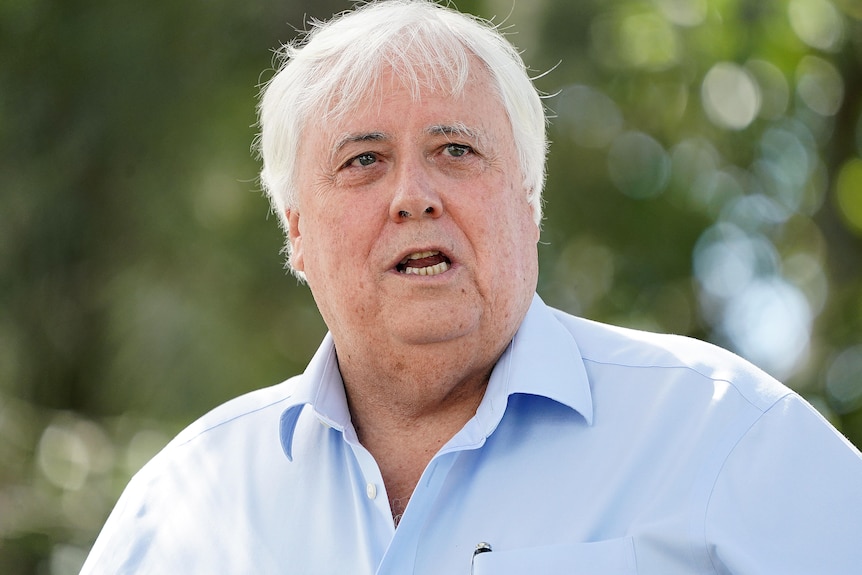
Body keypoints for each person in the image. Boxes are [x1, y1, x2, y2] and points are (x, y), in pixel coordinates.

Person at [81, 1, 862, 573]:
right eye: (363, 160)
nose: (413, 194)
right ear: (296, 234)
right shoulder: (186, 502)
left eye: (455, 150)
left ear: (528, 202)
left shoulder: (725, 434)